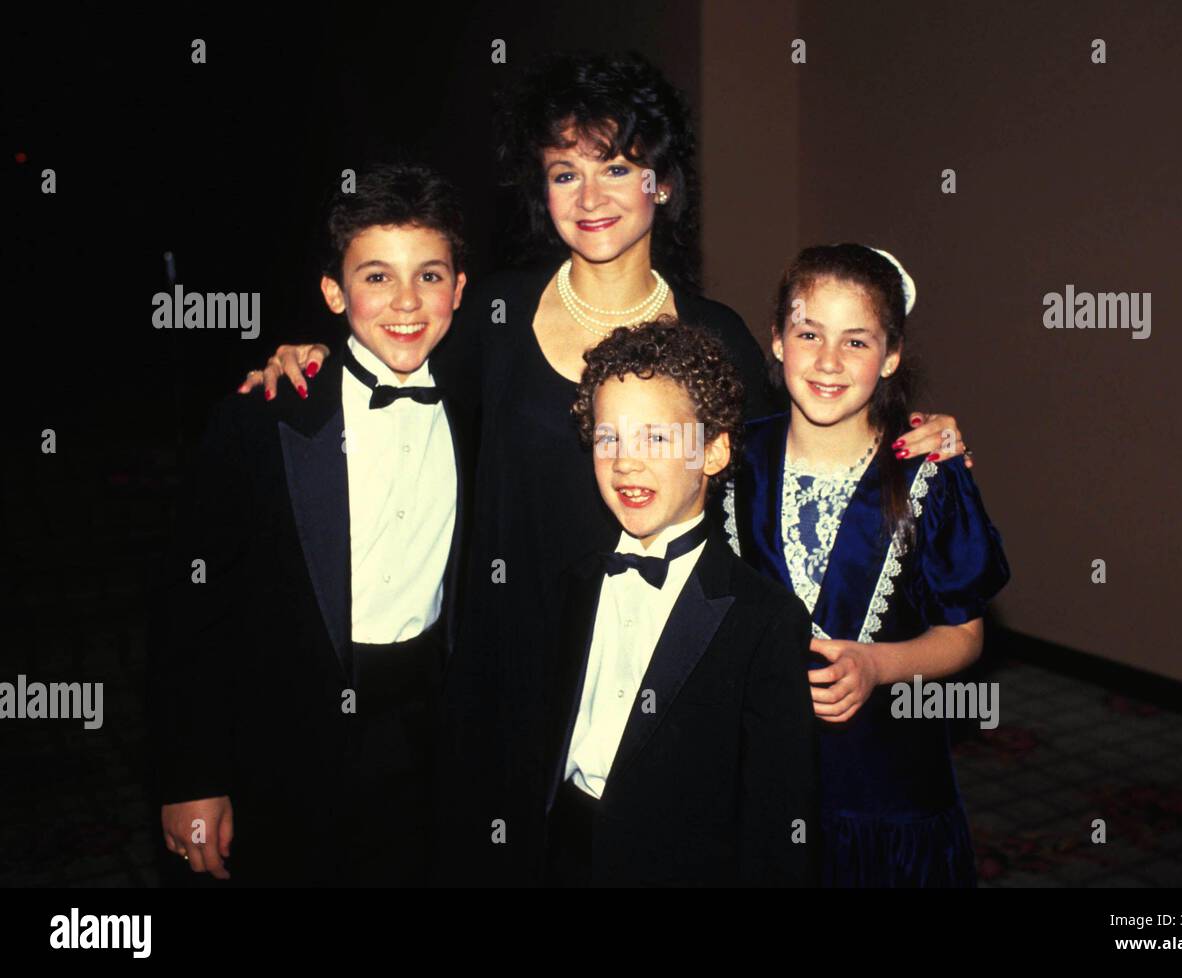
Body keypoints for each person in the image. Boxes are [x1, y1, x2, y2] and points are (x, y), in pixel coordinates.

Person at [235, 53, 968, 883]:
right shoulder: (493, 314)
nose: (590, 197)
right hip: (499, 678)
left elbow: (801, 435)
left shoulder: (717, 336)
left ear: (661, 182)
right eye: (564, 171)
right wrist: (308, 356)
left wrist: (917, 432)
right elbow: (393, 357)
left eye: (617, 166)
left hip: (657, 687)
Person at [151, 163, 472, 886]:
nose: (406, 302)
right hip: (288, 734)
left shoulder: (478, 403)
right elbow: (189, 608)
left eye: (429, 275)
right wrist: (190, 775)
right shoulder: (264, 417)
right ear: (335, 291)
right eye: (376, 277)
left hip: (427, 734)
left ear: (458, 287)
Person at [721, 243, 1010, 887]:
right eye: (808, 333)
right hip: (763, 791)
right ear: (776, 339)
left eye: (856, 342)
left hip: (889, 799)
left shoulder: (929, 473)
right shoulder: (731, 461)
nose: (828, 361)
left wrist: (876, 664)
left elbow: (964, 635)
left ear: (892, 355)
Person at [544, 318, 819, 886]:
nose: (625, 461)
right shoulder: (572, 582)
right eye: (608, 437)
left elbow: (778, 821)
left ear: (714, 451)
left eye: (657, 438)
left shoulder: (765, 621)